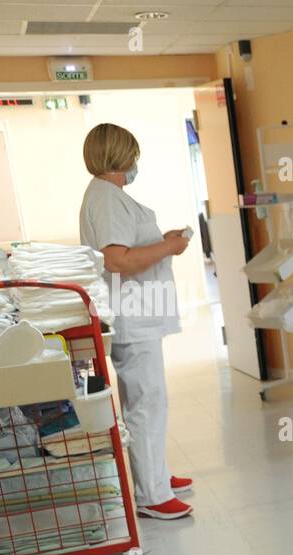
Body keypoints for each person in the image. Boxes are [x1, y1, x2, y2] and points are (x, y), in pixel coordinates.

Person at [78, 123, 193, 519]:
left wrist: (164, 239)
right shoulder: (107, 199)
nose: (136, 161)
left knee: (147, 400)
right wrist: (170, 247)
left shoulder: (110, 196)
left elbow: (128, 247)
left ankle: (156, 476)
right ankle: (152, 495)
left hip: (137, 312)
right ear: (121, 154)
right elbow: (117, 260)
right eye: (133, 154)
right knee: (147, 402)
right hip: (132, 315)